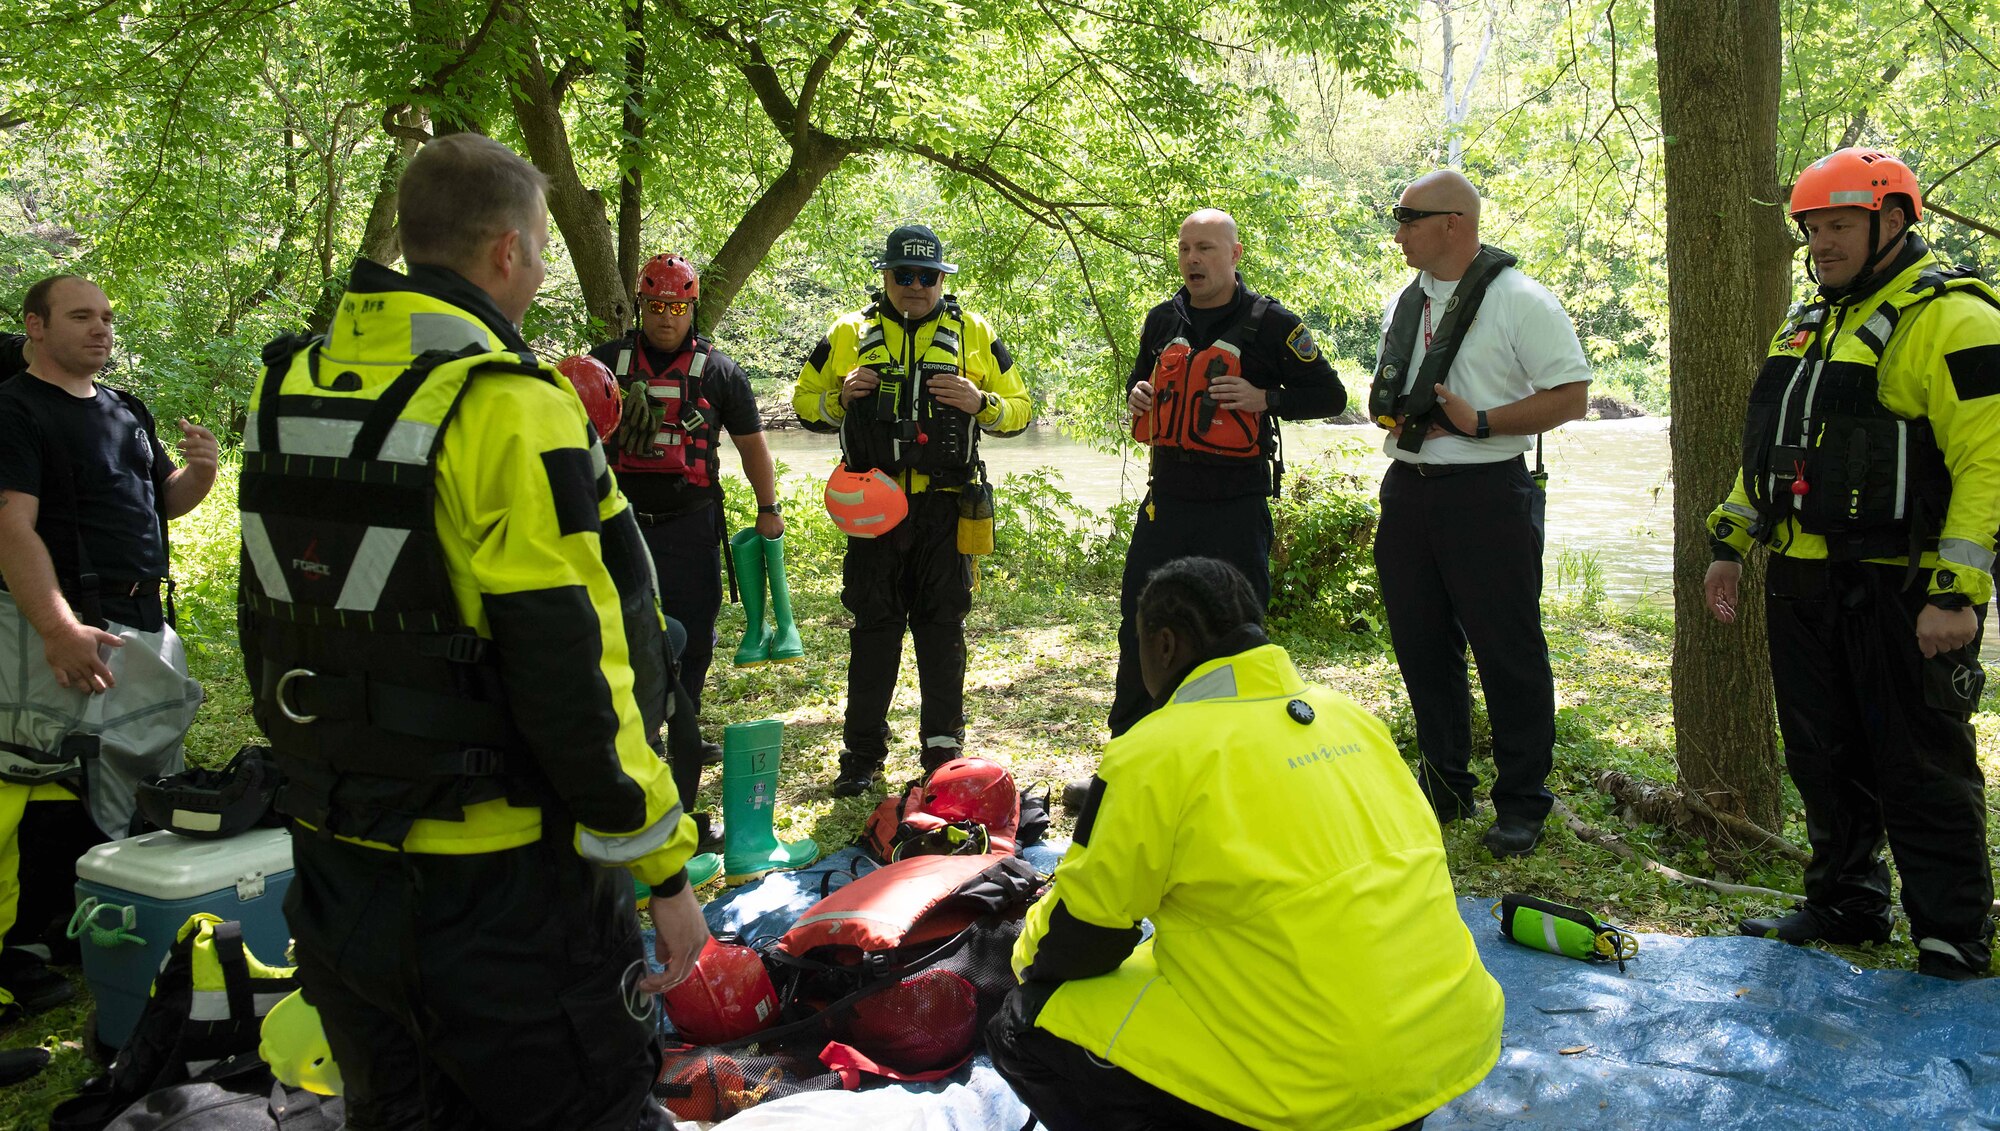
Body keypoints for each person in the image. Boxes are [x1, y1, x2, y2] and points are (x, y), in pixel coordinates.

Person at [241, 133, 708, 1128]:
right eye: (539, 252)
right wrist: (661, 868)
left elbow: (268, 622)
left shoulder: (284, 388)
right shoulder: (509, 405)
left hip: (334, 865)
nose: (539, 273)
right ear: (508, 250)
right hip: (499, 890)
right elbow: (574, 665)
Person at [990, 556, 1503, 1131]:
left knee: (1020, 1025)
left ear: (1163, 645)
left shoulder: (1155, 750)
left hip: (1320, 1088)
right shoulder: (1351, 718)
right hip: (1445, 1049)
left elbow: (1080, 941)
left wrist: (1023, 949)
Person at [1704, 147, 2000, 980]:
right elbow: (1771, 450)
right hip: (1802, 580)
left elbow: (1989, 462)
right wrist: (1730, 542)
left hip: (1903, 585)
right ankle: (1847, 900)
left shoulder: (1957, 319)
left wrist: (1956, 590)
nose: (1822, 243)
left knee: (1920, 761)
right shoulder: (1807, 322)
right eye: (1813, 229)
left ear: (1892, 221)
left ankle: (1952, 932)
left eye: (1840, 225)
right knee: (1822, 754)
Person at [0, 275, 213, 1017]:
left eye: (108, 318)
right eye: (81, 316)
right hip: (59, 623)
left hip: (141, 620)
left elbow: (163, 503)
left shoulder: (126, 409)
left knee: (125, 775)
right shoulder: (15, 410)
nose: (101, 330)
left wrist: (202, 472)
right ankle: (21, 946)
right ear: (35, 325)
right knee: (43, 776)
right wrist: (56, 628)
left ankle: (92, 920)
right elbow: (11, 528)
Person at [1367, 170, 1590, 858]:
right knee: (1422, 644)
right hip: (1408, 491)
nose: (1399, 233)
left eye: (1409, 218)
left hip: (1487, 494)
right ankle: (1445, 784)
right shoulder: (1407, 301)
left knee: (1507, 651)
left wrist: (1483, 421)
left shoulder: (1521, 300)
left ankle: (1521, 802)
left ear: (1454, 223)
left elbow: (1572, 395)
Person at [792, 223, 1031, 795]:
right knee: (873, 629)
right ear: (887, 276)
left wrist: (982, 402)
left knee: (942, 628)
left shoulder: (975, 332)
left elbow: (1019, 409)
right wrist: (838, 399)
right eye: (905, 274)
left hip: (945, 509)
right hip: (872, 509)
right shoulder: (847, 332)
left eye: (928, 276)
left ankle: (942, 753)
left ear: (942, 280)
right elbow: (803, 403)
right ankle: (862, 755)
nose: (916, 286)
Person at [1109, 208, 1345, 738]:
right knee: (1141, 624)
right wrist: (1137, 393)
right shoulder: (1162, 320)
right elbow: (1140, 382)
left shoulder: (1275, 325)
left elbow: (1331, 396)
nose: (1192, 259)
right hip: (1167, 502)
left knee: (1237, 632)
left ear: (1234, 254)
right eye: (1185, 248)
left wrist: (1266, 398)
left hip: (1236, 507)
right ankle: (1130, 745)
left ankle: (1237, 743)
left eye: (1205, 248)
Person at [591, 252, 784, 848]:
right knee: (618, 640)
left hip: (691, 525)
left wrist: (769, 508)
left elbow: (752, 447)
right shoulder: (605, 364)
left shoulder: (720, 372)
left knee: (692, 643)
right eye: (656, 305)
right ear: (640, 306)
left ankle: (682, 741)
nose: (666, 317)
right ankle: (633, 751)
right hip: (619, 526)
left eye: (677, 307)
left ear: (692, 308)